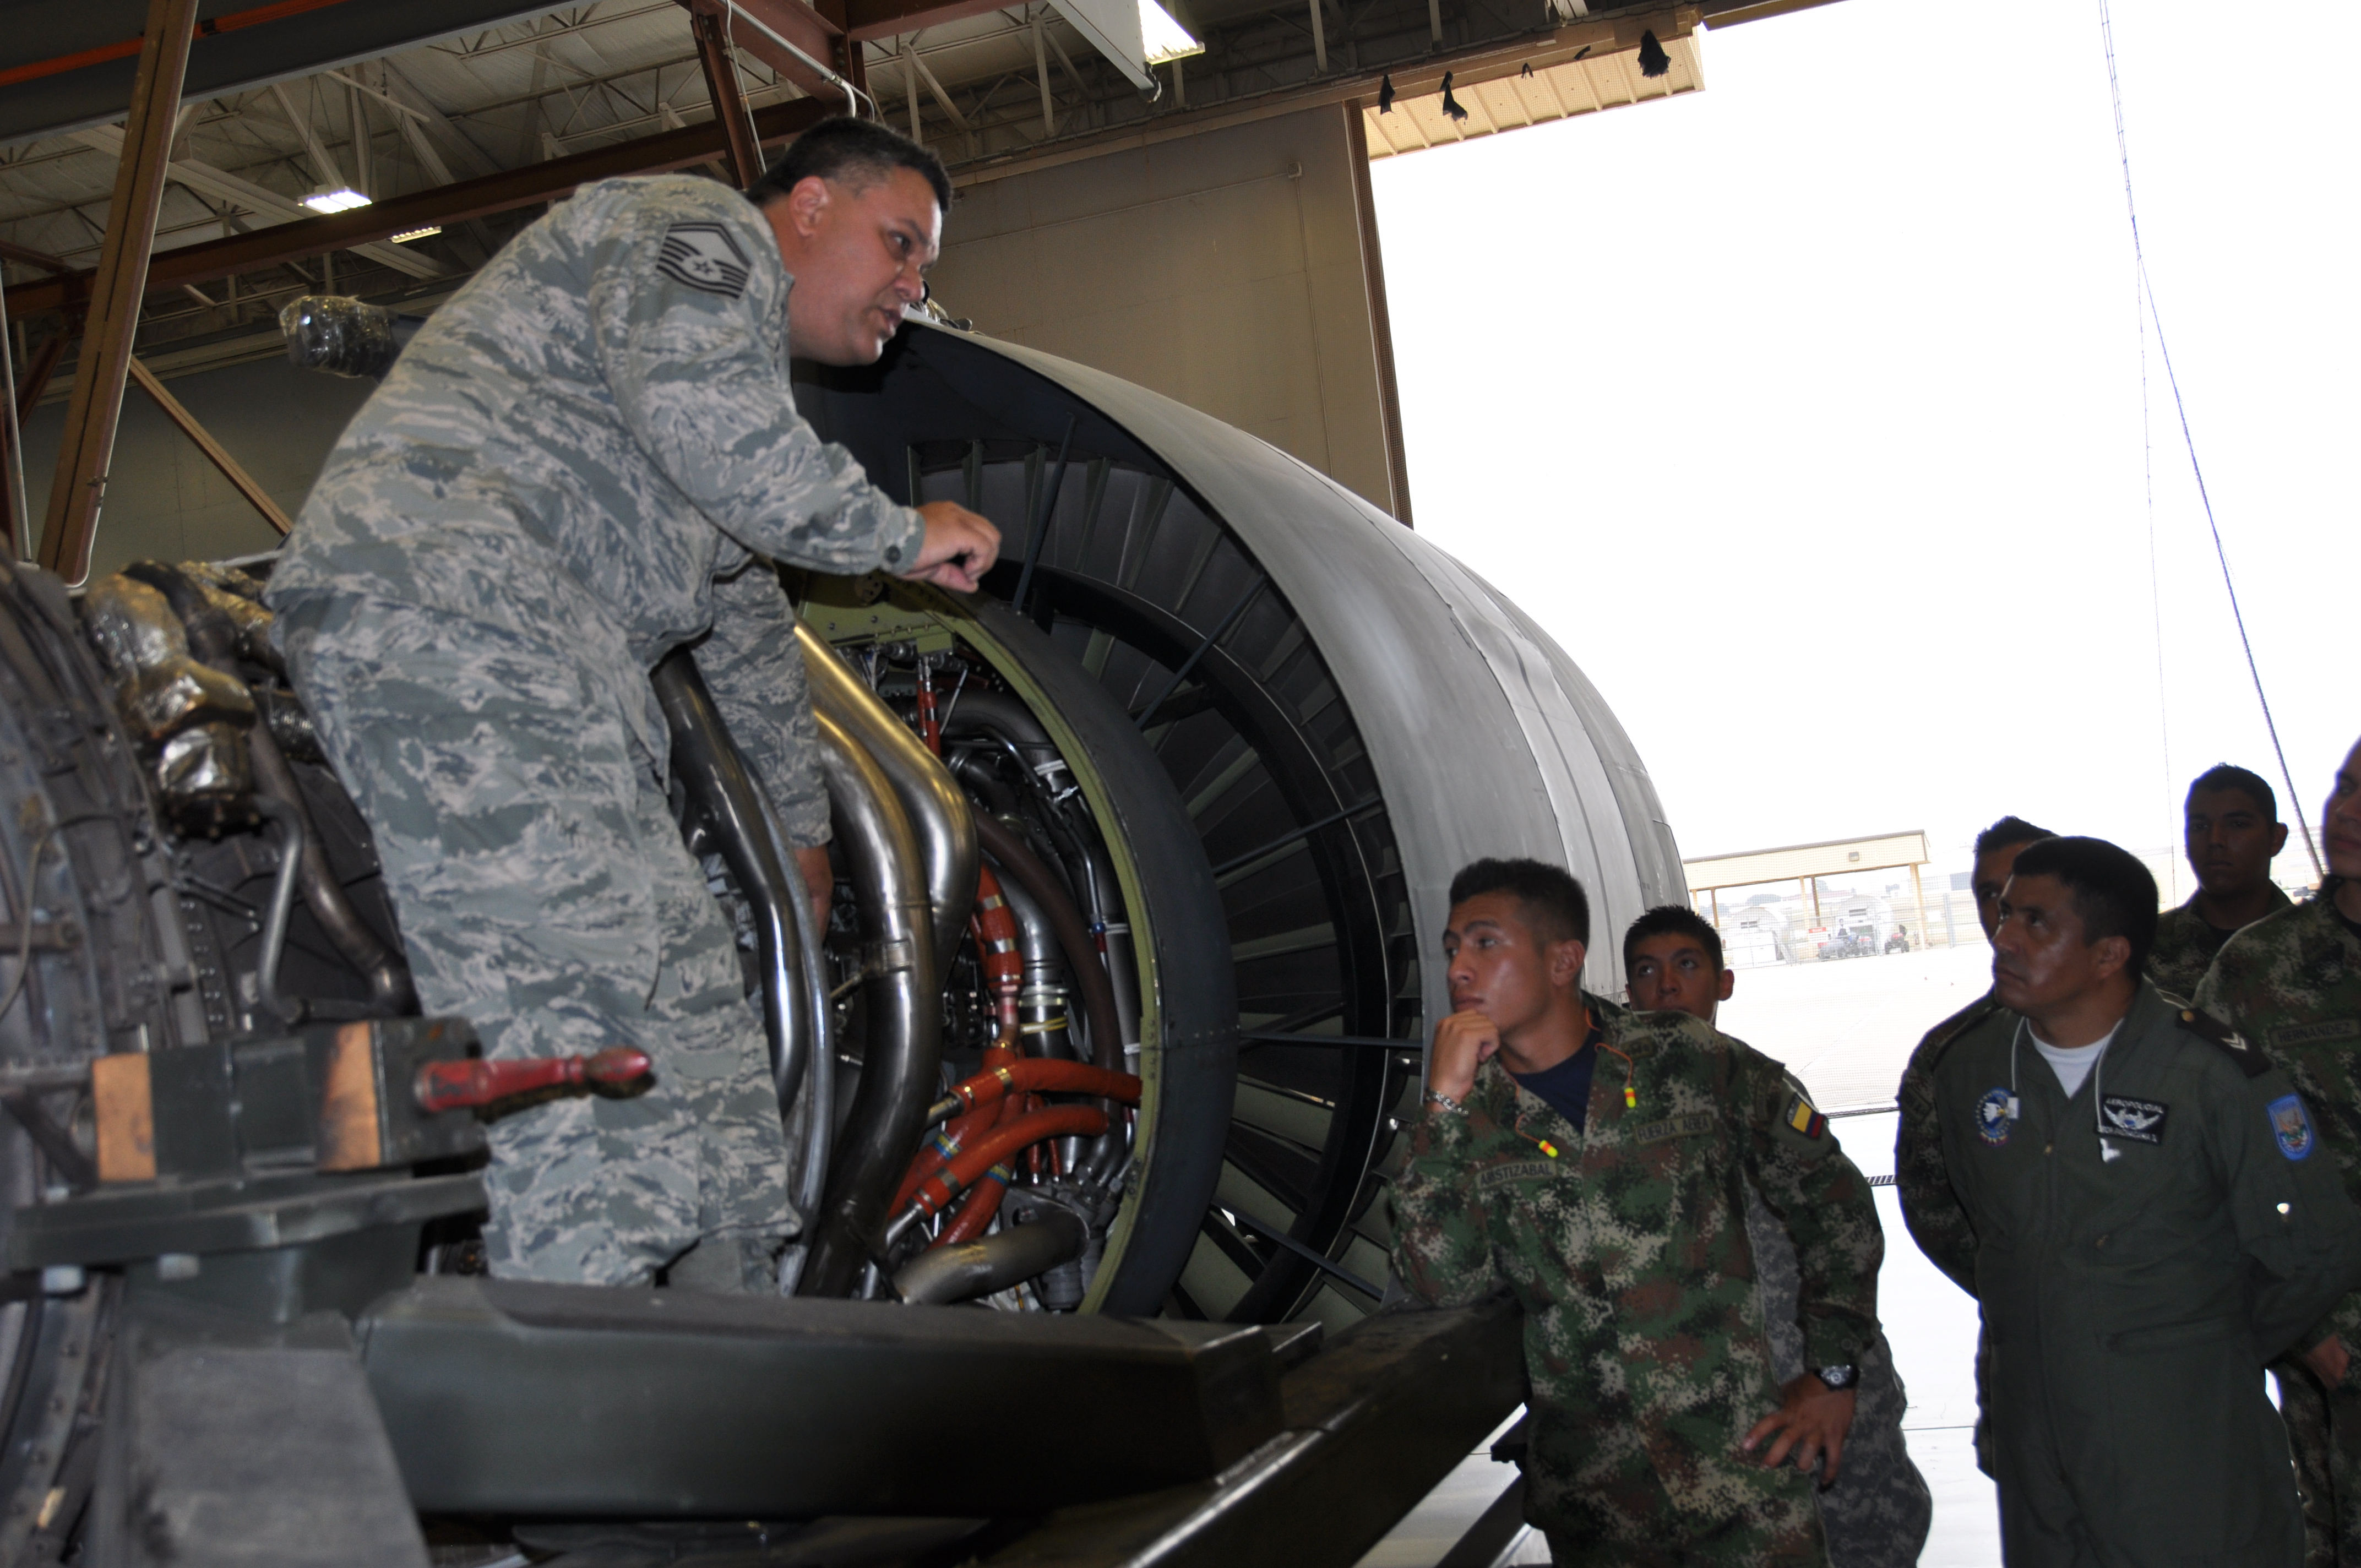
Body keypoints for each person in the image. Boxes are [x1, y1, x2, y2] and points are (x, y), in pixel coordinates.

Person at [264, 118, 1002, 1292]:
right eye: (900, 244)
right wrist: (902, 535)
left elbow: (750, 613)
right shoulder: (691, 231)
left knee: (695, 1001)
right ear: (808, 206)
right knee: (572, 1001)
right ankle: (580, 1374)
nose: (912, 288)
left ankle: (732, 1322)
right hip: (454, 616)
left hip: (556, 675)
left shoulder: (735, 374)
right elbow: (727, 448)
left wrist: (804, 836)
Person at [1391, 859, 1885, 1567]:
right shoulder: (1464, 1121)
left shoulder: (1686, 1061)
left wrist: (1833, 1372)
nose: (1459, 968)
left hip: (1745, 1482)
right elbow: (1444, 1285)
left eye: (1485, 943)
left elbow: (1830, 1198)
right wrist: (1439, 1107)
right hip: (1599, 1510)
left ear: (1564, 961)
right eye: (1451, 949)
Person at [1912, 835, 2361, 1567]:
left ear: (2109, 954)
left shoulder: (2212, 1073)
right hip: (2039, 1450)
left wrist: (2205, 1342)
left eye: (2036, 922)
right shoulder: (1969, 1070)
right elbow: (1978, 1228)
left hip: (2184, 1447)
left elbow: (2318, 1244)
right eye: (2004, 915)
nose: (2006, 937)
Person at [1626, 906, 1931, 1568]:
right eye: (1647, 971)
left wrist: (1833, 1372)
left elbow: (1843, 1229)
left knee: (1858, 1537)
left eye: (1686, 965)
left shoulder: (1758, 1093)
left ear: (1723, 982)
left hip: (1804, 1374)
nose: (1667, 987)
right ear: (1628, 993)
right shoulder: (1610, 1114)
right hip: (1699, 1400)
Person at [2196, 735, 2361, 1568]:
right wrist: (2302, 1329)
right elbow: (2207, 1158)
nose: (2347, 812)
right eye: (2343, 787)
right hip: (2333, 1342)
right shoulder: (2259, 969)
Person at [1892, 813, 2053, 1476]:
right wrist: (2018, 1282)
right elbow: (1929, 1204)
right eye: (1990, 894)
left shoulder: (2168, 1035)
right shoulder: (1949, 1055)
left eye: (2022, 890)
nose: (2004, 910)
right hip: (2030, 1349)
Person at [2147, 763, 2293, 998]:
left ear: (2276, 839)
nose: (2215, 839)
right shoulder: (2143, 950)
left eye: (2237, 824)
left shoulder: (2330, 946)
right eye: (2200, 826)